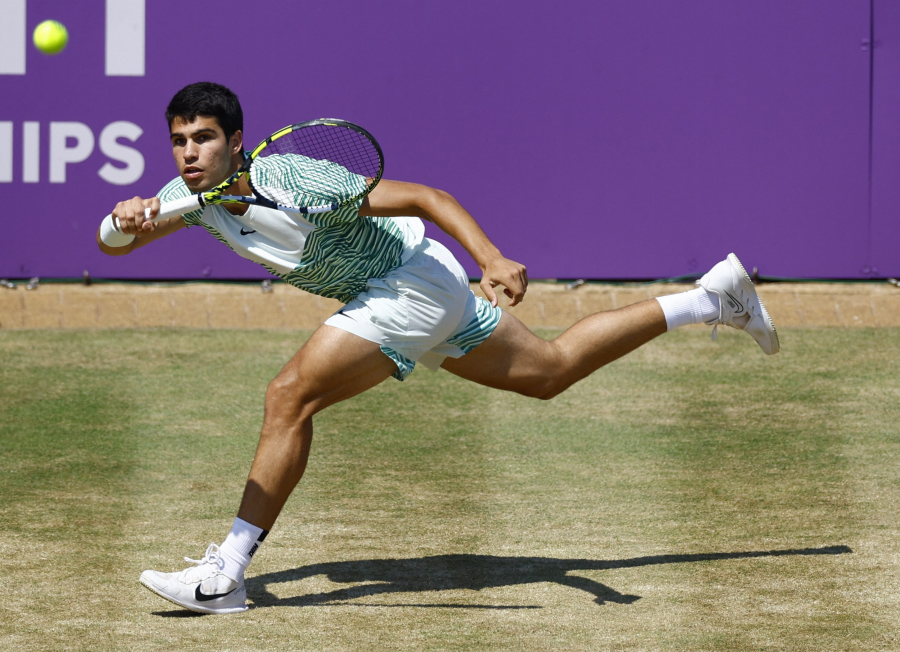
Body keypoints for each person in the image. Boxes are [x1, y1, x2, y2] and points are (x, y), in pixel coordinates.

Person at [97, 82, 779, 614]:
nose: (190, 153)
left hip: (407, 284)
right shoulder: (186, 197)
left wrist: (492, 255)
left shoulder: (297, 181)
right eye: (180, 140)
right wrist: (123, 219)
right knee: (549, 372)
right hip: (408, 293)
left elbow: (426, 196)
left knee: (288, 396)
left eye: (205, 139)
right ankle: (713, 298)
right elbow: (113, 242)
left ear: (237, 141)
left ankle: (226, 576)